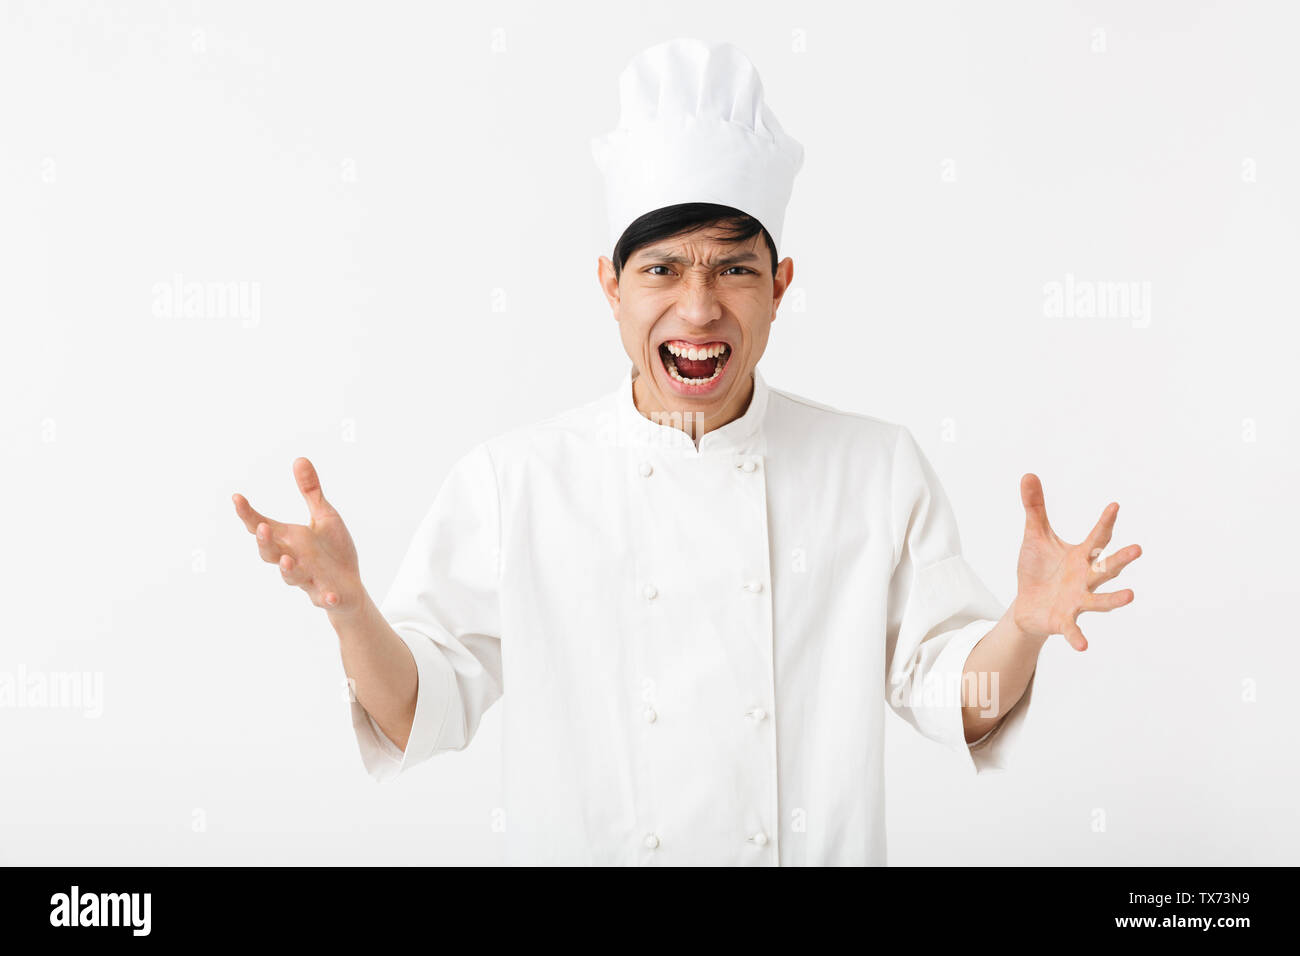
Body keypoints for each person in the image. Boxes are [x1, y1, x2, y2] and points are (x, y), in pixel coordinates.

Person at [231, 37, 1141, 865]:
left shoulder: (874, 470)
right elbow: (414, 711)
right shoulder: (517, 484)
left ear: (780, 287)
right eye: (662, 269)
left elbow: (960, 700)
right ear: (610, 288)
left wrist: (1020, 627)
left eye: (733, 267)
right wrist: (350, 609)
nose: (700, 308)